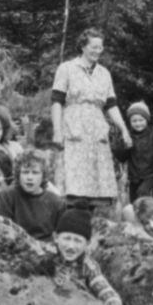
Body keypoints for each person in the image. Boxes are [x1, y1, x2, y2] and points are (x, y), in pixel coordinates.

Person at [50, 28, 132, 215]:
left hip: (96, 129)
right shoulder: (67, 68)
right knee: (73, 179)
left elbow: (111, 104)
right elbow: (57, 101)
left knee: (96, 182)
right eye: (93, 47)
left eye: (100, 48)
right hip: (73, 126)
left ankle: (89, 222)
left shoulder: (104, 73)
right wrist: (57, 130)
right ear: (83, 46)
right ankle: (70, 221)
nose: (97, 51)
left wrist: (124, 129)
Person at [0, 149, 67, 242]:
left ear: (43, 176)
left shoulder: (57, 203)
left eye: (35, 172)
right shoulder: (7, 196)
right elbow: (3, 232)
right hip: (15, 247)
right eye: (25, 172)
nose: (30, 177)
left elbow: (61, 237)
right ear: (18, 174)